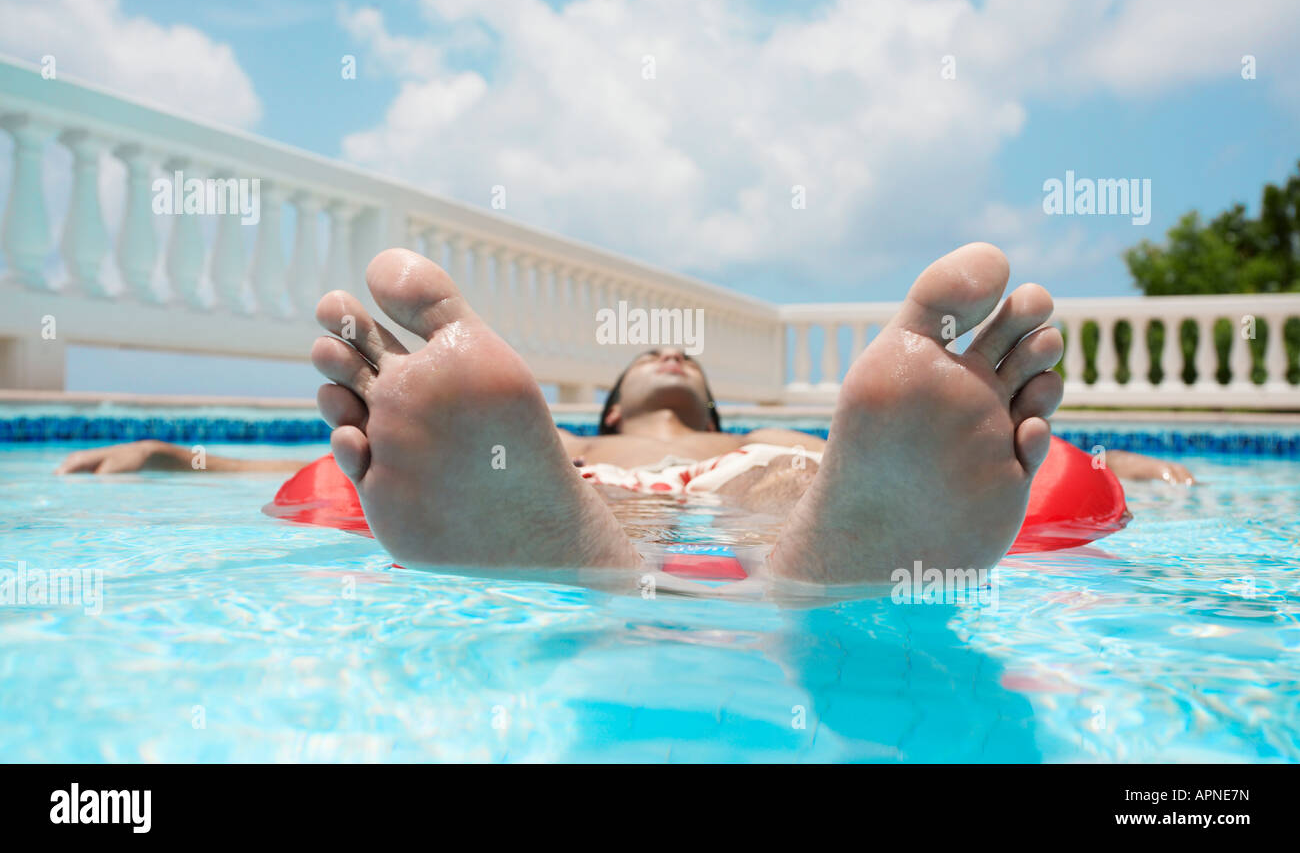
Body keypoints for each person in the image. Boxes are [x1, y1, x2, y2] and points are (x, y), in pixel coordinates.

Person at [56, 243, 1194, 584]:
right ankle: (825, 563)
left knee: (798, 476)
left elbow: (1057, 464)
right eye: (646, 355)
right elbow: (328, 466)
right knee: (569, 474)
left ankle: (850, 529)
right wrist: (182, 449)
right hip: (571, 484)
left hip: (768, 482)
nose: (665, 356)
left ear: (706, 396)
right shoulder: (565, 443)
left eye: (682, 359)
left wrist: (1123, 462)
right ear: (606, 399)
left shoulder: (765, 436)